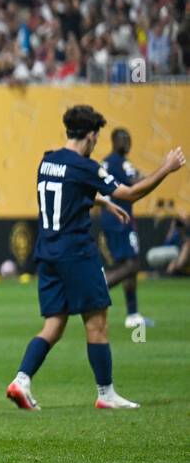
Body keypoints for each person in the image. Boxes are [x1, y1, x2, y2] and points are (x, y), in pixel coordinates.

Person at [6, 105, 184, 412]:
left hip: (47, 252)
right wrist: (166, 168)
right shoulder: (85, 166)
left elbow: (70, 188)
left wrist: (100, 201)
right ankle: (106, 393)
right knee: (97, 322)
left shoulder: (47, 160)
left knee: (54, 324)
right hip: (76, 252)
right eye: (95, 138)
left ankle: (21, 380)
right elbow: (129, 193)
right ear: (90, 136)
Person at [99, 129, 146, 327]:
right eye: (123, 139)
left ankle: (133, 314)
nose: (126, 143)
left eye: (128, 139)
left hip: (109, 218)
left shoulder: (104, 163)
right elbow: (137, 182)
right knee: (131, 265)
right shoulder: (122, 163)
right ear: (114, 141)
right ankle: (98, 288)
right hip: (121, 220)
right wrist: (162, 172)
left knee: (127, 265)